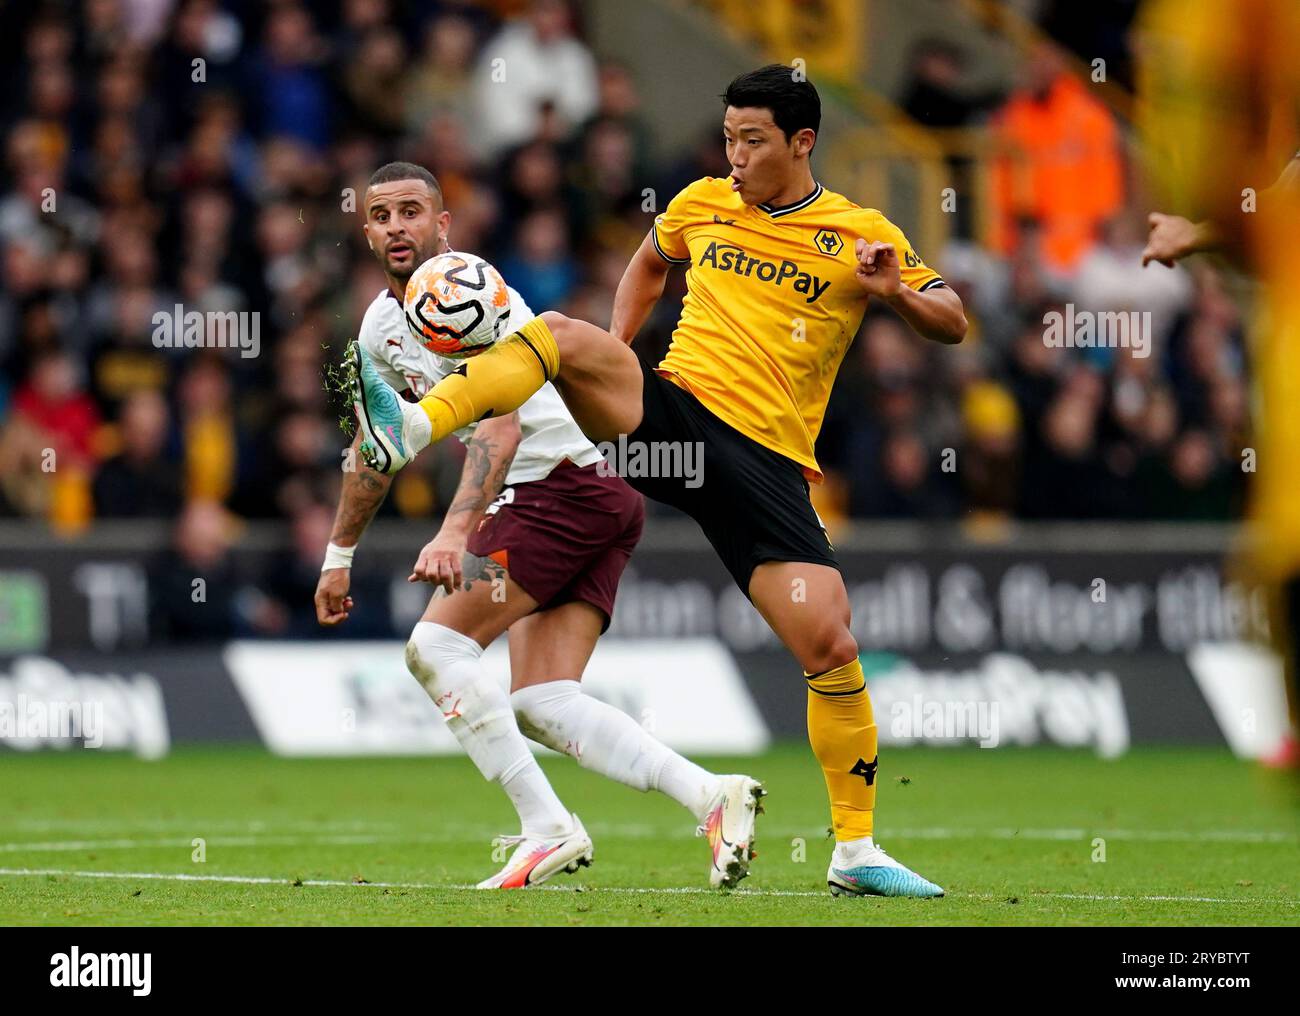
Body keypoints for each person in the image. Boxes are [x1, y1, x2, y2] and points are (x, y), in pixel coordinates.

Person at [351, 67, 967, 897]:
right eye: (728, 140)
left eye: (752, 141)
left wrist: (895, 293)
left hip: (766, 467)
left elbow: (953, 319)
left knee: (832, 646)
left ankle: (855, 854)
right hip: (671, 413)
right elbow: (648, 265)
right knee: (563, 336)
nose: (736, 156)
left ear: (801, 142)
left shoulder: (857, 233)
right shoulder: (699, 203)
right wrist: (613, 350)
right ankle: (423, 423)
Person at [317, 162, 763, 889]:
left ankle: (548, 827)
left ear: (442, 224)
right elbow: (374, 449)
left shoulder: (467, 292)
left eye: (411, 212)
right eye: (381, 215)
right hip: (591, 495)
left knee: (435, 648)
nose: (397, 227)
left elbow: (503, 422)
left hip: (555, 491)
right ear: (366, 230)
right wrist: (339, 553)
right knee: (542, 701)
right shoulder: (376, 330)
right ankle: (711, 797)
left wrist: (455, 534)